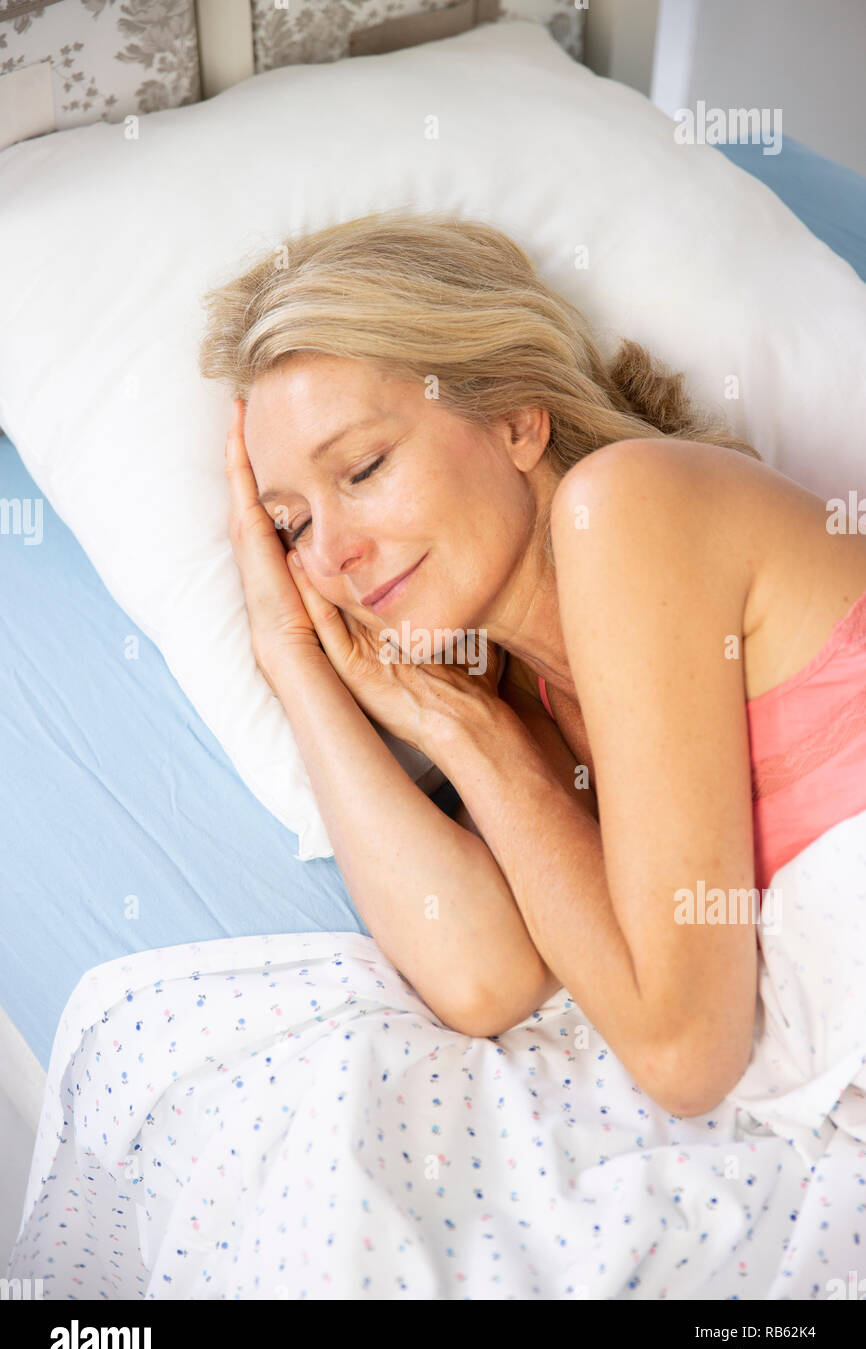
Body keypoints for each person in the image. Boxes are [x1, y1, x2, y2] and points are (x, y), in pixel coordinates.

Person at [200, 209, 866, 1118]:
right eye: (292, 528)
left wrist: (469, 728)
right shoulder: (543, 711)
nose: (333, 555)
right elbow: (484, 978)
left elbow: (683, 1053)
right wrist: (296, 659)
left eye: (362, 468)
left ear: (516, 418)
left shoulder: (633, 502)